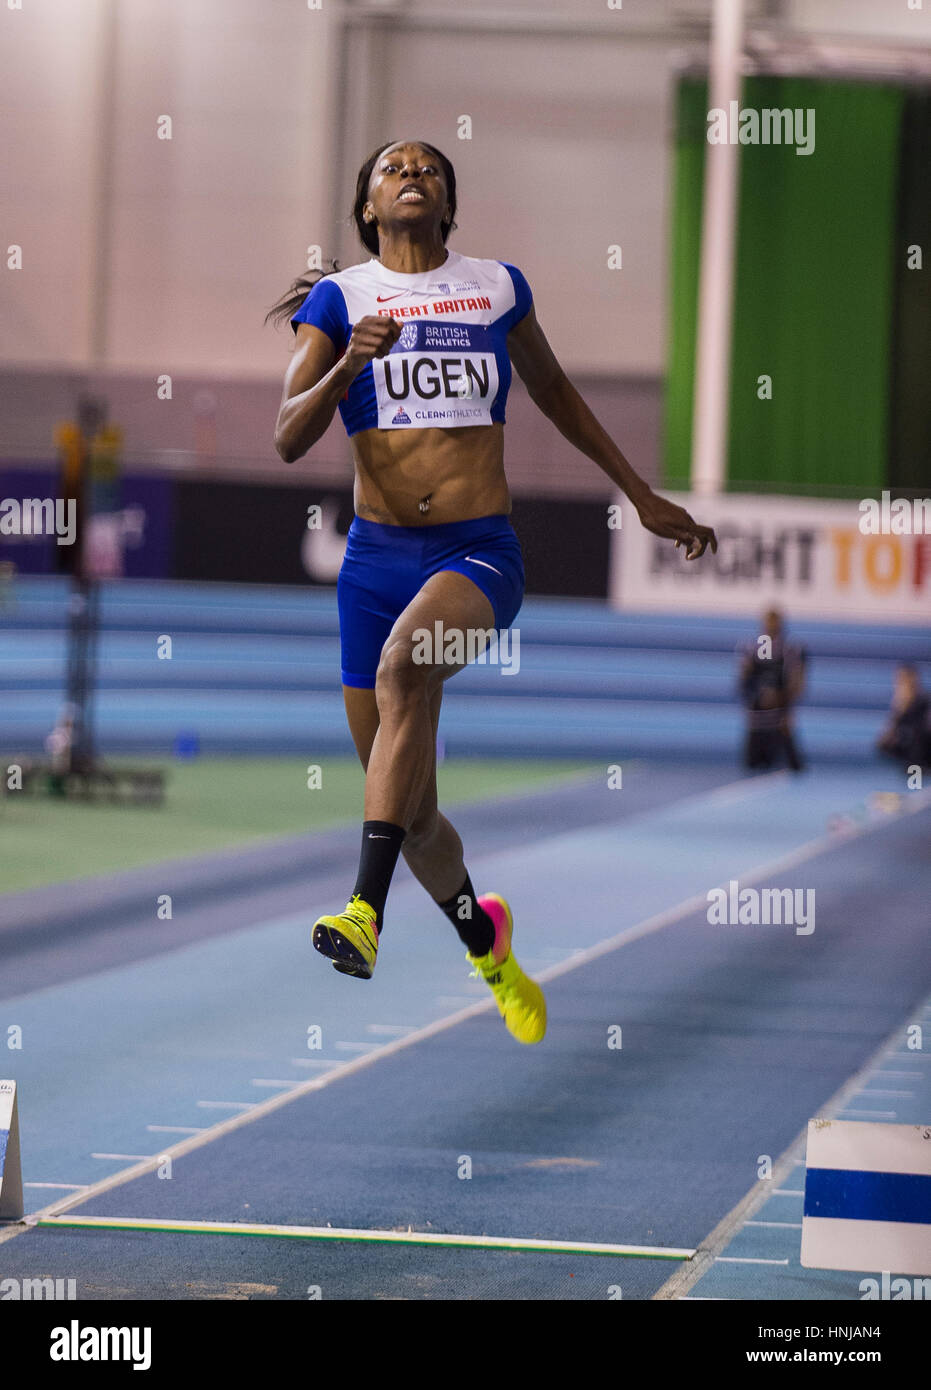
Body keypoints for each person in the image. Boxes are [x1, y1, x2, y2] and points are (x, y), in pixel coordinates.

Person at [267, 139, 717, 1045]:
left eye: (429, 168)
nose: (411, 174)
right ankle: (488, 943)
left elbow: (557, 394)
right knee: (412, 809)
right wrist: (349, 363)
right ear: (366, 208)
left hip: (476, 553)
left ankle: (363, 911)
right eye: (392, 168)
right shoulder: (341, 300)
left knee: (405, 670)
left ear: (447, 202)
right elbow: (285, 434)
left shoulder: (496, 287)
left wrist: (639, 495)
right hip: (373, 564)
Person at [739, 608, 807, 772]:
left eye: (774, 623)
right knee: (753, 765)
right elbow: (743, 681)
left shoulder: (790, 650)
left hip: (780, 716)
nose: (770, 626)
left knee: (793, 768)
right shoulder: (752, 649)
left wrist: (783, 702)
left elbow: (797, 683)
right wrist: (757, 697)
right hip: (758, 718)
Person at [877, 664, 930, 770]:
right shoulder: (901, 706)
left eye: (905, 681)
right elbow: (885, 741)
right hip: (912, 757)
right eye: (899, 682)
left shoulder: (925, 702)